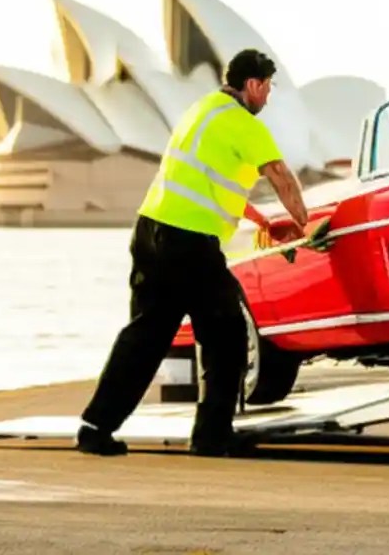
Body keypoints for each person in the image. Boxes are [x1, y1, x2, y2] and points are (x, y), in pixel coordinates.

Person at [76, 48, 310, 457]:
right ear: (253, 85)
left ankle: (95, 428)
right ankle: (211, 434)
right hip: (189, 244)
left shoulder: (200, 111)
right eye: (268, 88)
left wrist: (258, 220)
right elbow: (280, 176)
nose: (268, 97)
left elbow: (207, 183)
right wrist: (306, 227)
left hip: (151, 231)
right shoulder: (243, 123)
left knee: (144, 337)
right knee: (227, 334)